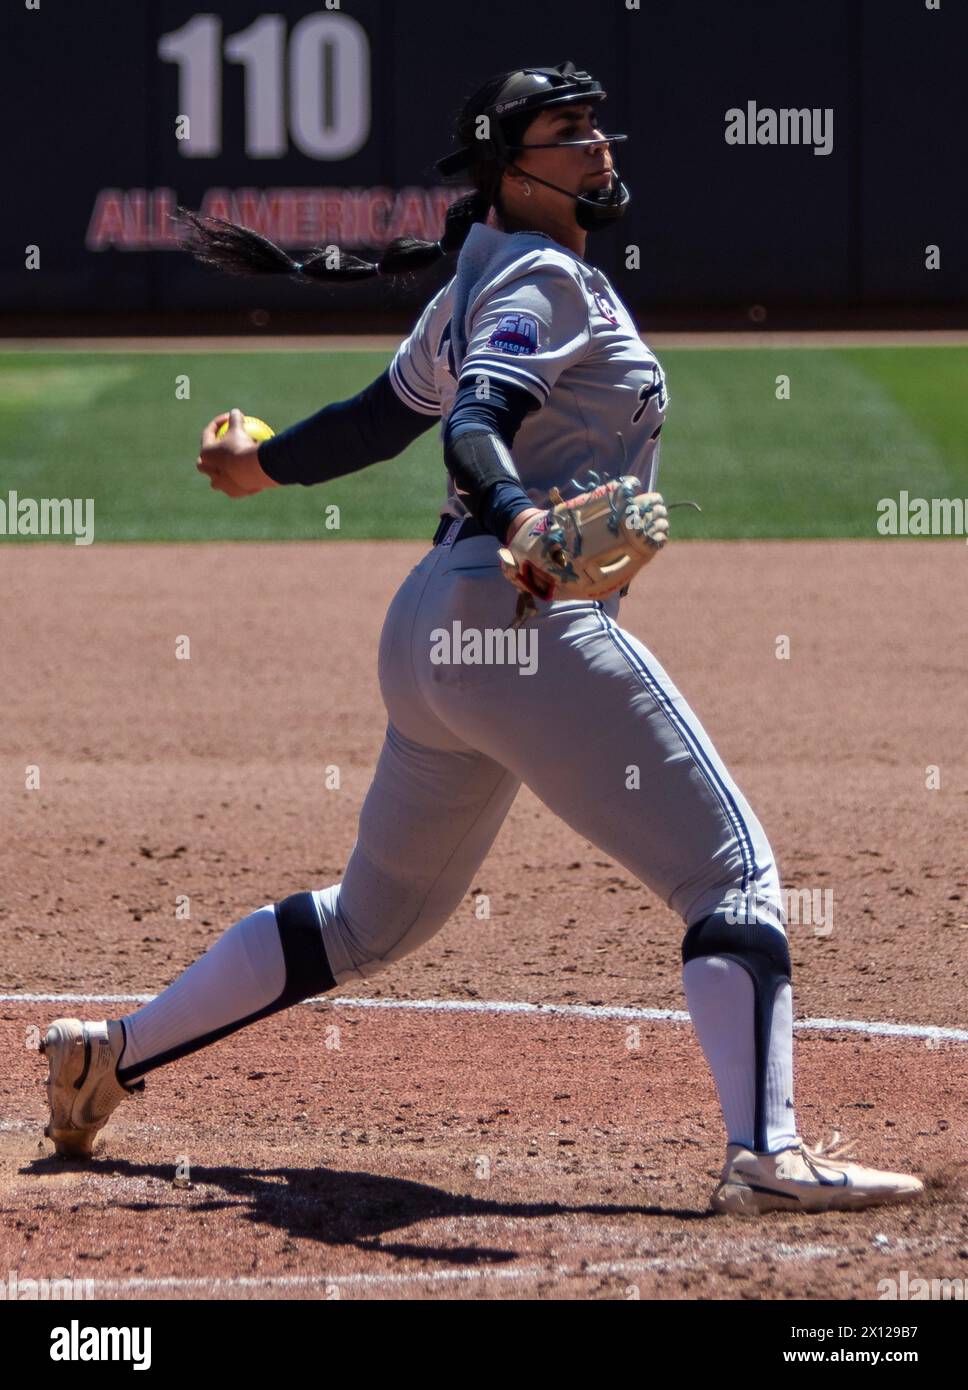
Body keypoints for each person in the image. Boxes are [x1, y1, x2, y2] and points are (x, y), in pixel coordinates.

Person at [41, 61, 922, 1216]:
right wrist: (519, 516)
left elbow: (373, 420)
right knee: (733, 873)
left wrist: (257, 467)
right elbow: (468, 421)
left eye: (599, 125)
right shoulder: (543, 277)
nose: (599, 146)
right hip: (522, 621)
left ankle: (108, 1049)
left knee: (372, 920)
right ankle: (766, 1154)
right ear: (509, 168)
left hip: (432, 636)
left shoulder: (473, 279)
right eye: (568, 132)